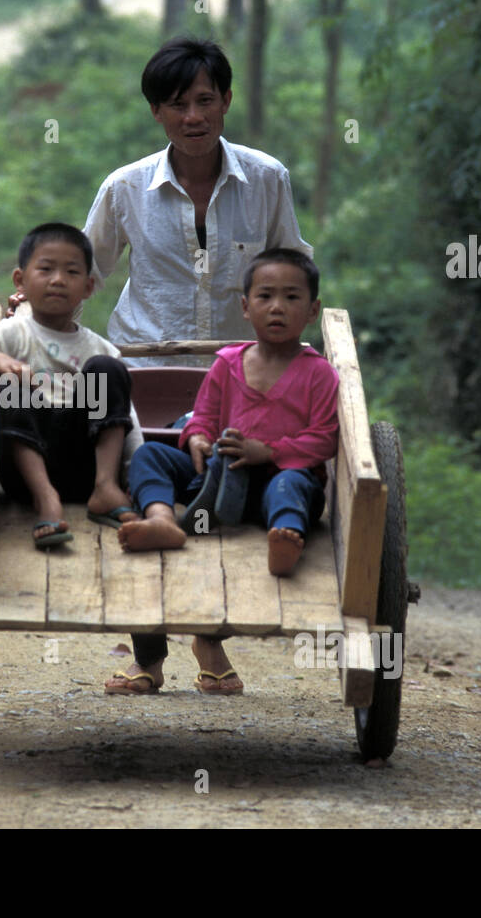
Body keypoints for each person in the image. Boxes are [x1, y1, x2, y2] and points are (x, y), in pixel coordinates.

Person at [105, 248, 339, 695]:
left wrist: (268, 451)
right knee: (151, 456)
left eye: (291, 297)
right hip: (213, 483)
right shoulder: (229, 362)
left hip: (276, 486)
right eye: (265, 296)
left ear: (312, 311)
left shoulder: (320, 374)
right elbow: (202, 418)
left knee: (293, 484)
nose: (277, 307)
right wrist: (195, 438)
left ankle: (285, 538)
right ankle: (159, 518)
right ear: (245, 307)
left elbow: (324, 438)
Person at [8, 37, 312, 367]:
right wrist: (38, 306)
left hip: (241, 373)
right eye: (178, 106)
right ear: (157, 111)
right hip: (144, 366)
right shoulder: (124, 188)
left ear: (225, 101)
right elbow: (86, 268)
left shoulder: (267, 179)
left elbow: (292, 271)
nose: (193, 117)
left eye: (205, 100)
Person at [0, 223, 141, 547]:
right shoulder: (13, 333)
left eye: (71, 272)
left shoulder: (100, 348)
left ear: (87, 287)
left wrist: (135, 478)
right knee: (12, 383)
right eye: (45, 269)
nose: (58, 280)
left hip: (86, 464)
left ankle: (105, 487)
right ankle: (46, 499)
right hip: (26, 470)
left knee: (107, 369)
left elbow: (127, 419)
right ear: (21, 281)